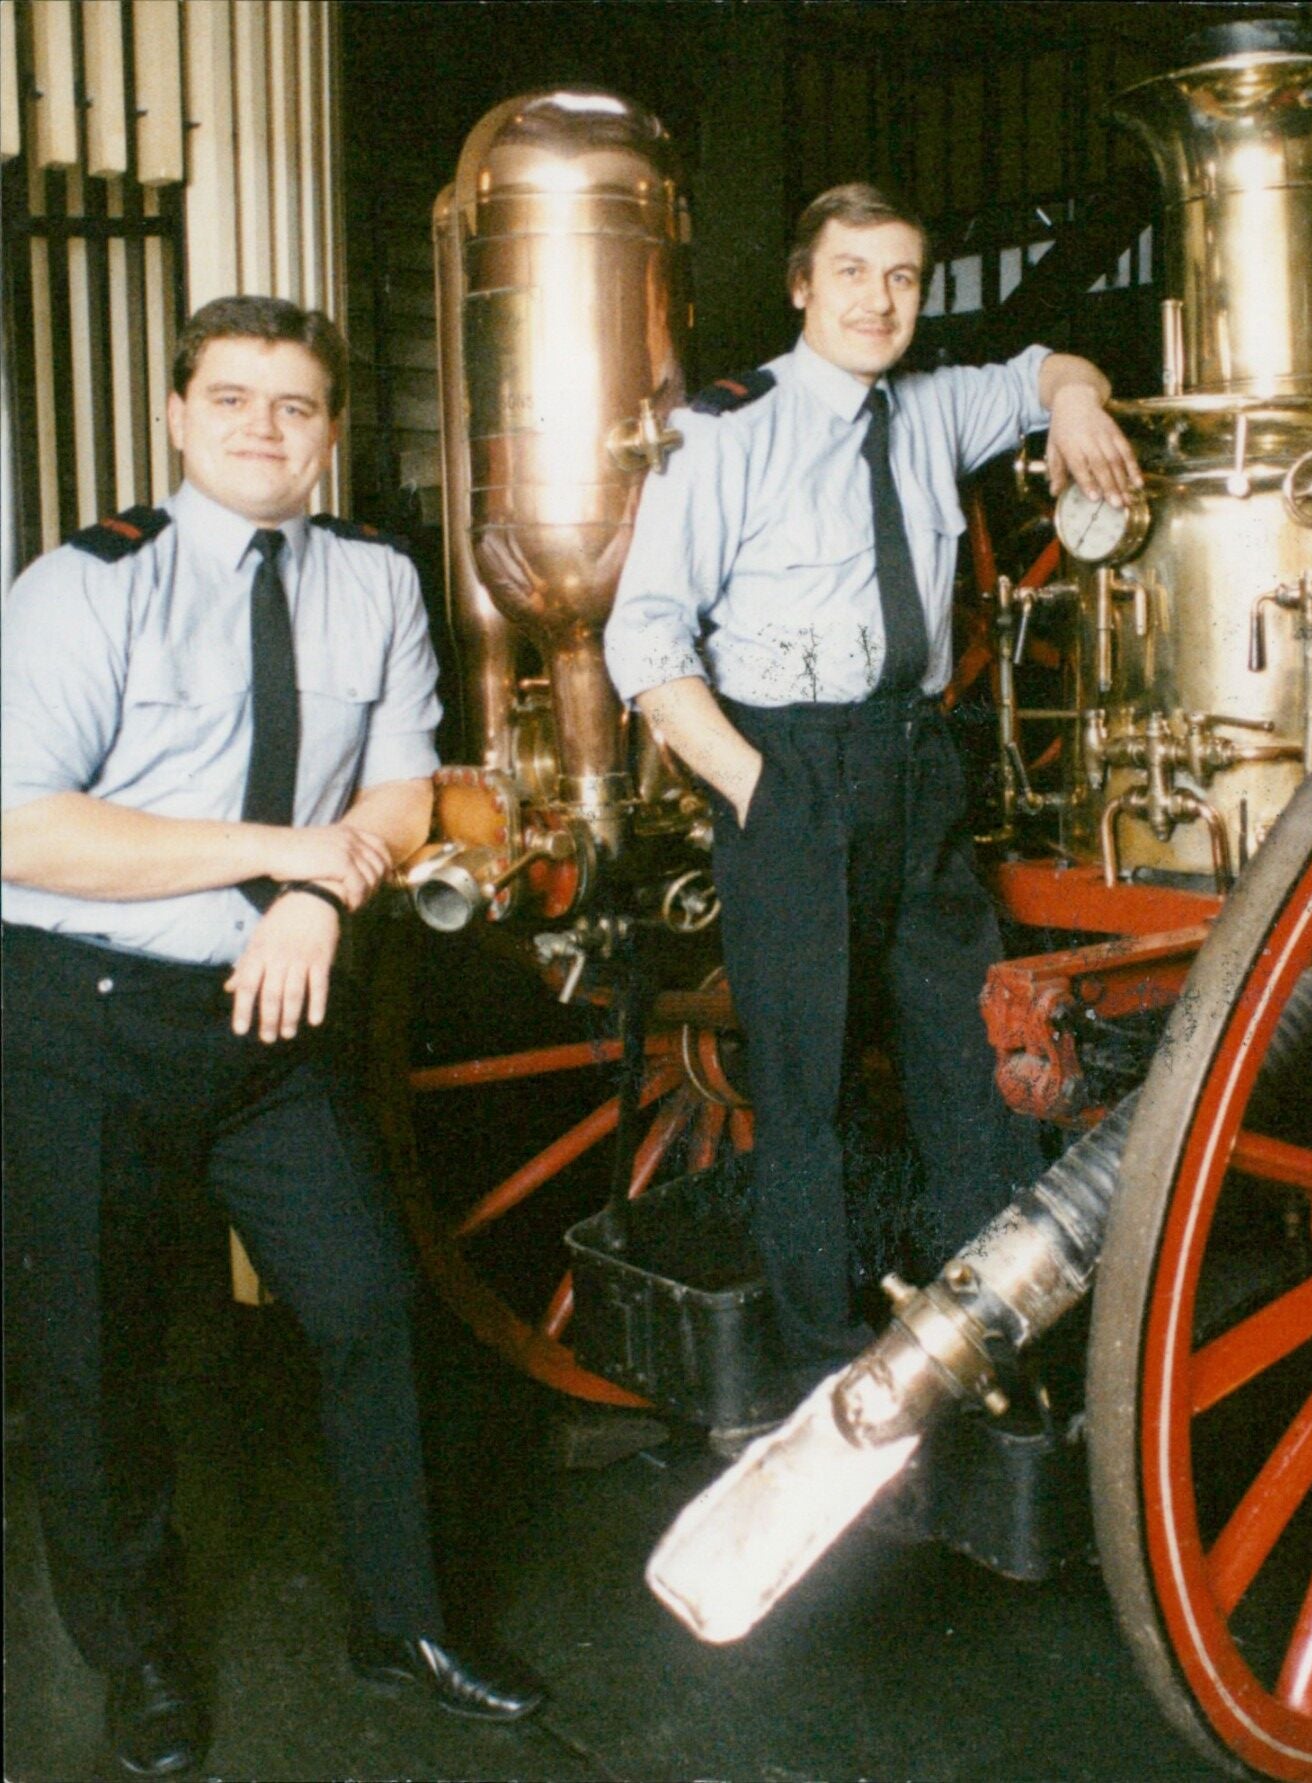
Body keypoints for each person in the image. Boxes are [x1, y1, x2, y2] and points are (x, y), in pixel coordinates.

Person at [1, 297, 544, 1777]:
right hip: (87, 1013)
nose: (261, 426)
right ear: (177, 416)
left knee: (375, 1305)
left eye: (294, 405)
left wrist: (319, 893)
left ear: (329, 433)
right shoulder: (83, 585)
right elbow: (26, 829)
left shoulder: (371, 576)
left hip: (276, 1010)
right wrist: (289, 856)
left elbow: (407, 784)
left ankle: (405, 1618)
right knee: (95, 1357)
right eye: (231, 398)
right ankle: (138, 1660)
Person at [604, 183, 1140, 1390]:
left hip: (917, 762)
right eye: (851, 272)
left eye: (902, 276)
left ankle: (992, 1348)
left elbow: (1050, 360)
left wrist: (1075, 402)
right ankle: (831, 1377)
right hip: (791, 768)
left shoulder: (935, 408)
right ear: (802, 285)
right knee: (809, 1095)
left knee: (974, 1066)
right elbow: (641, 638)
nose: (879, 300)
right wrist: (756, 788)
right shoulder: (727, 429)